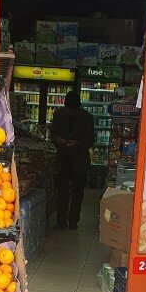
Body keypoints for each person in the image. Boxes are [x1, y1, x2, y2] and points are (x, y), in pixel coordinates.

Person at [50, 90, 95, 230]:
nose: (69, 113)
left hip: (80, 160)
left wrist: (77, 144)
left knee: (78, 192)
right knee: (61, 192)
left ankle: (73, 220)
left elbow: (90, 140)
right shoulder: (58, 114)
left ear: (78, 107)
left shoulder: (87, 118)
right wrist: (59, 140)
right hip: (63, 159)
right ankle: (61, 221)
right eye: (67, 110)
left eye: (72, 111)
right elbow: (53, 133)